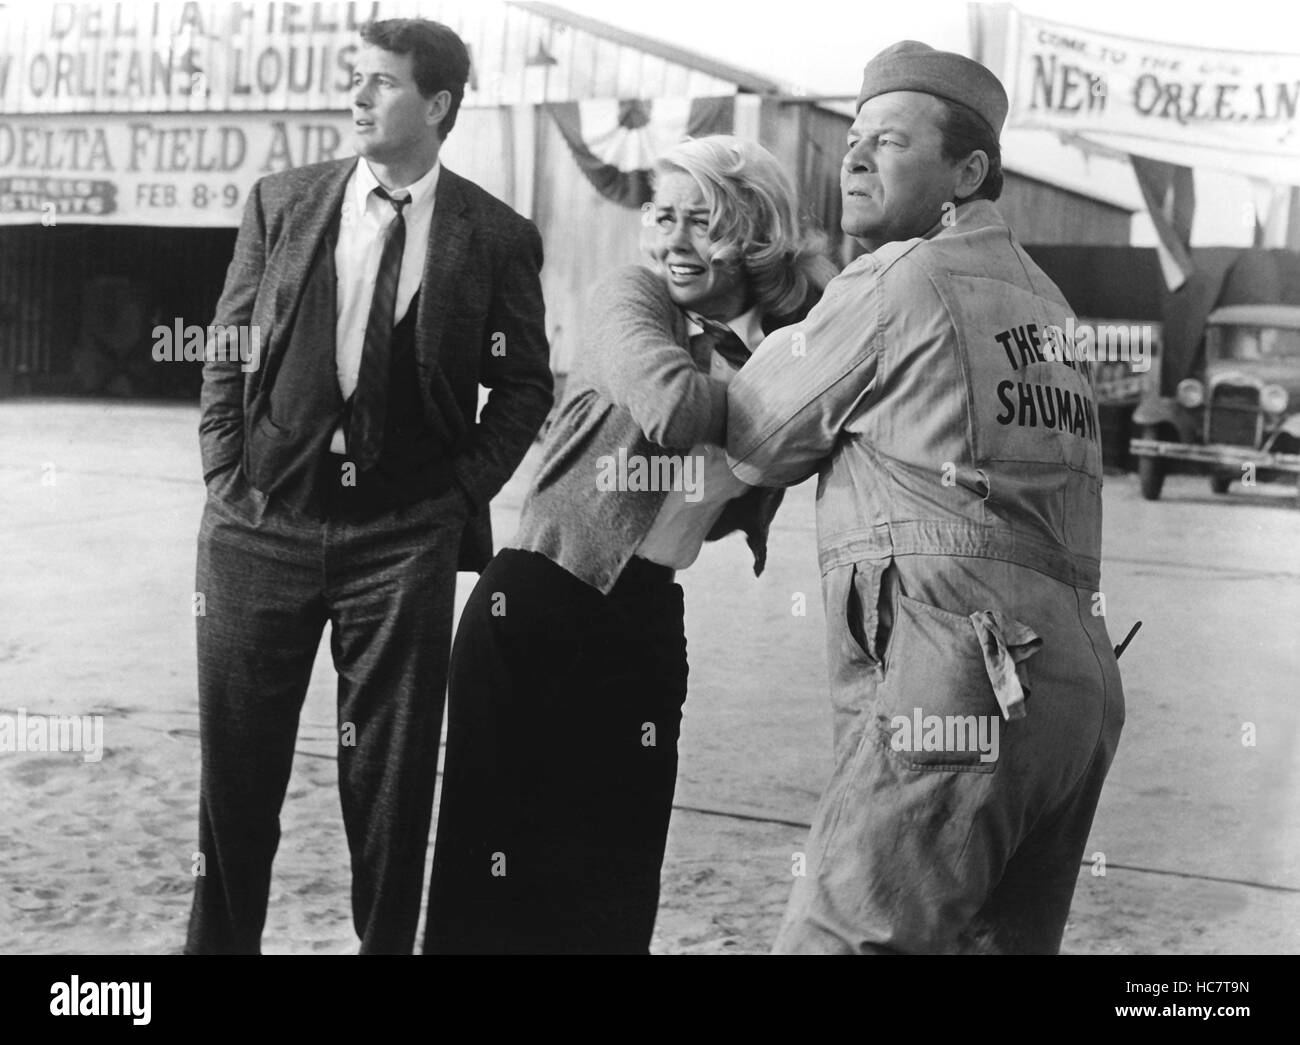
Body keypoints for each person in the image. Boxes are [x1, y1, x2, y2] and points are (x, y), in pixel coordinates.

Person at [726, 41, 1126, 954]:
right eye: (855, 139)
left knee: (842, 938)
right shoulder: (1049, 306)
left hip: (954, 677)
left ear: (968, 169)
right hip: (1075, 698)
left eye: (891, 143)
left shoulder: (898, 276)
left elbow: (750, 435)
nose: (856, 159)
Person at [188, 18, 552, 954]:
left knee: (389, 785)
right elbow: (227, 343)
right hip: (258, 523)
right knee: (235, 774)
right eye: (356, 79)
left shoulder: (495, 235)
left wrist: (452, 497)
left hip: (401, 539)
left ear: (436, 105)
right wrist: (226, 473)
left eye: (381, 83)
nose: (357, 97)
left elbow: (523, 386)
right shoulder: (282, 202)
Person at [424, 135, 835, 954]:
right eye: (661, 215)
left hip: (644, 619)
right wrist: (791, 392)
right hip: (536, 602)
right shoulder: (630, 297)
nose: (673, 241)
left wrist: (796, 347)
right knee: (491, 881)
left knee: (614, 881)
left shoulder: (784, 345)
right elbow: (676, 410)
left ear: (753, 234)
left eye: (701, 221)